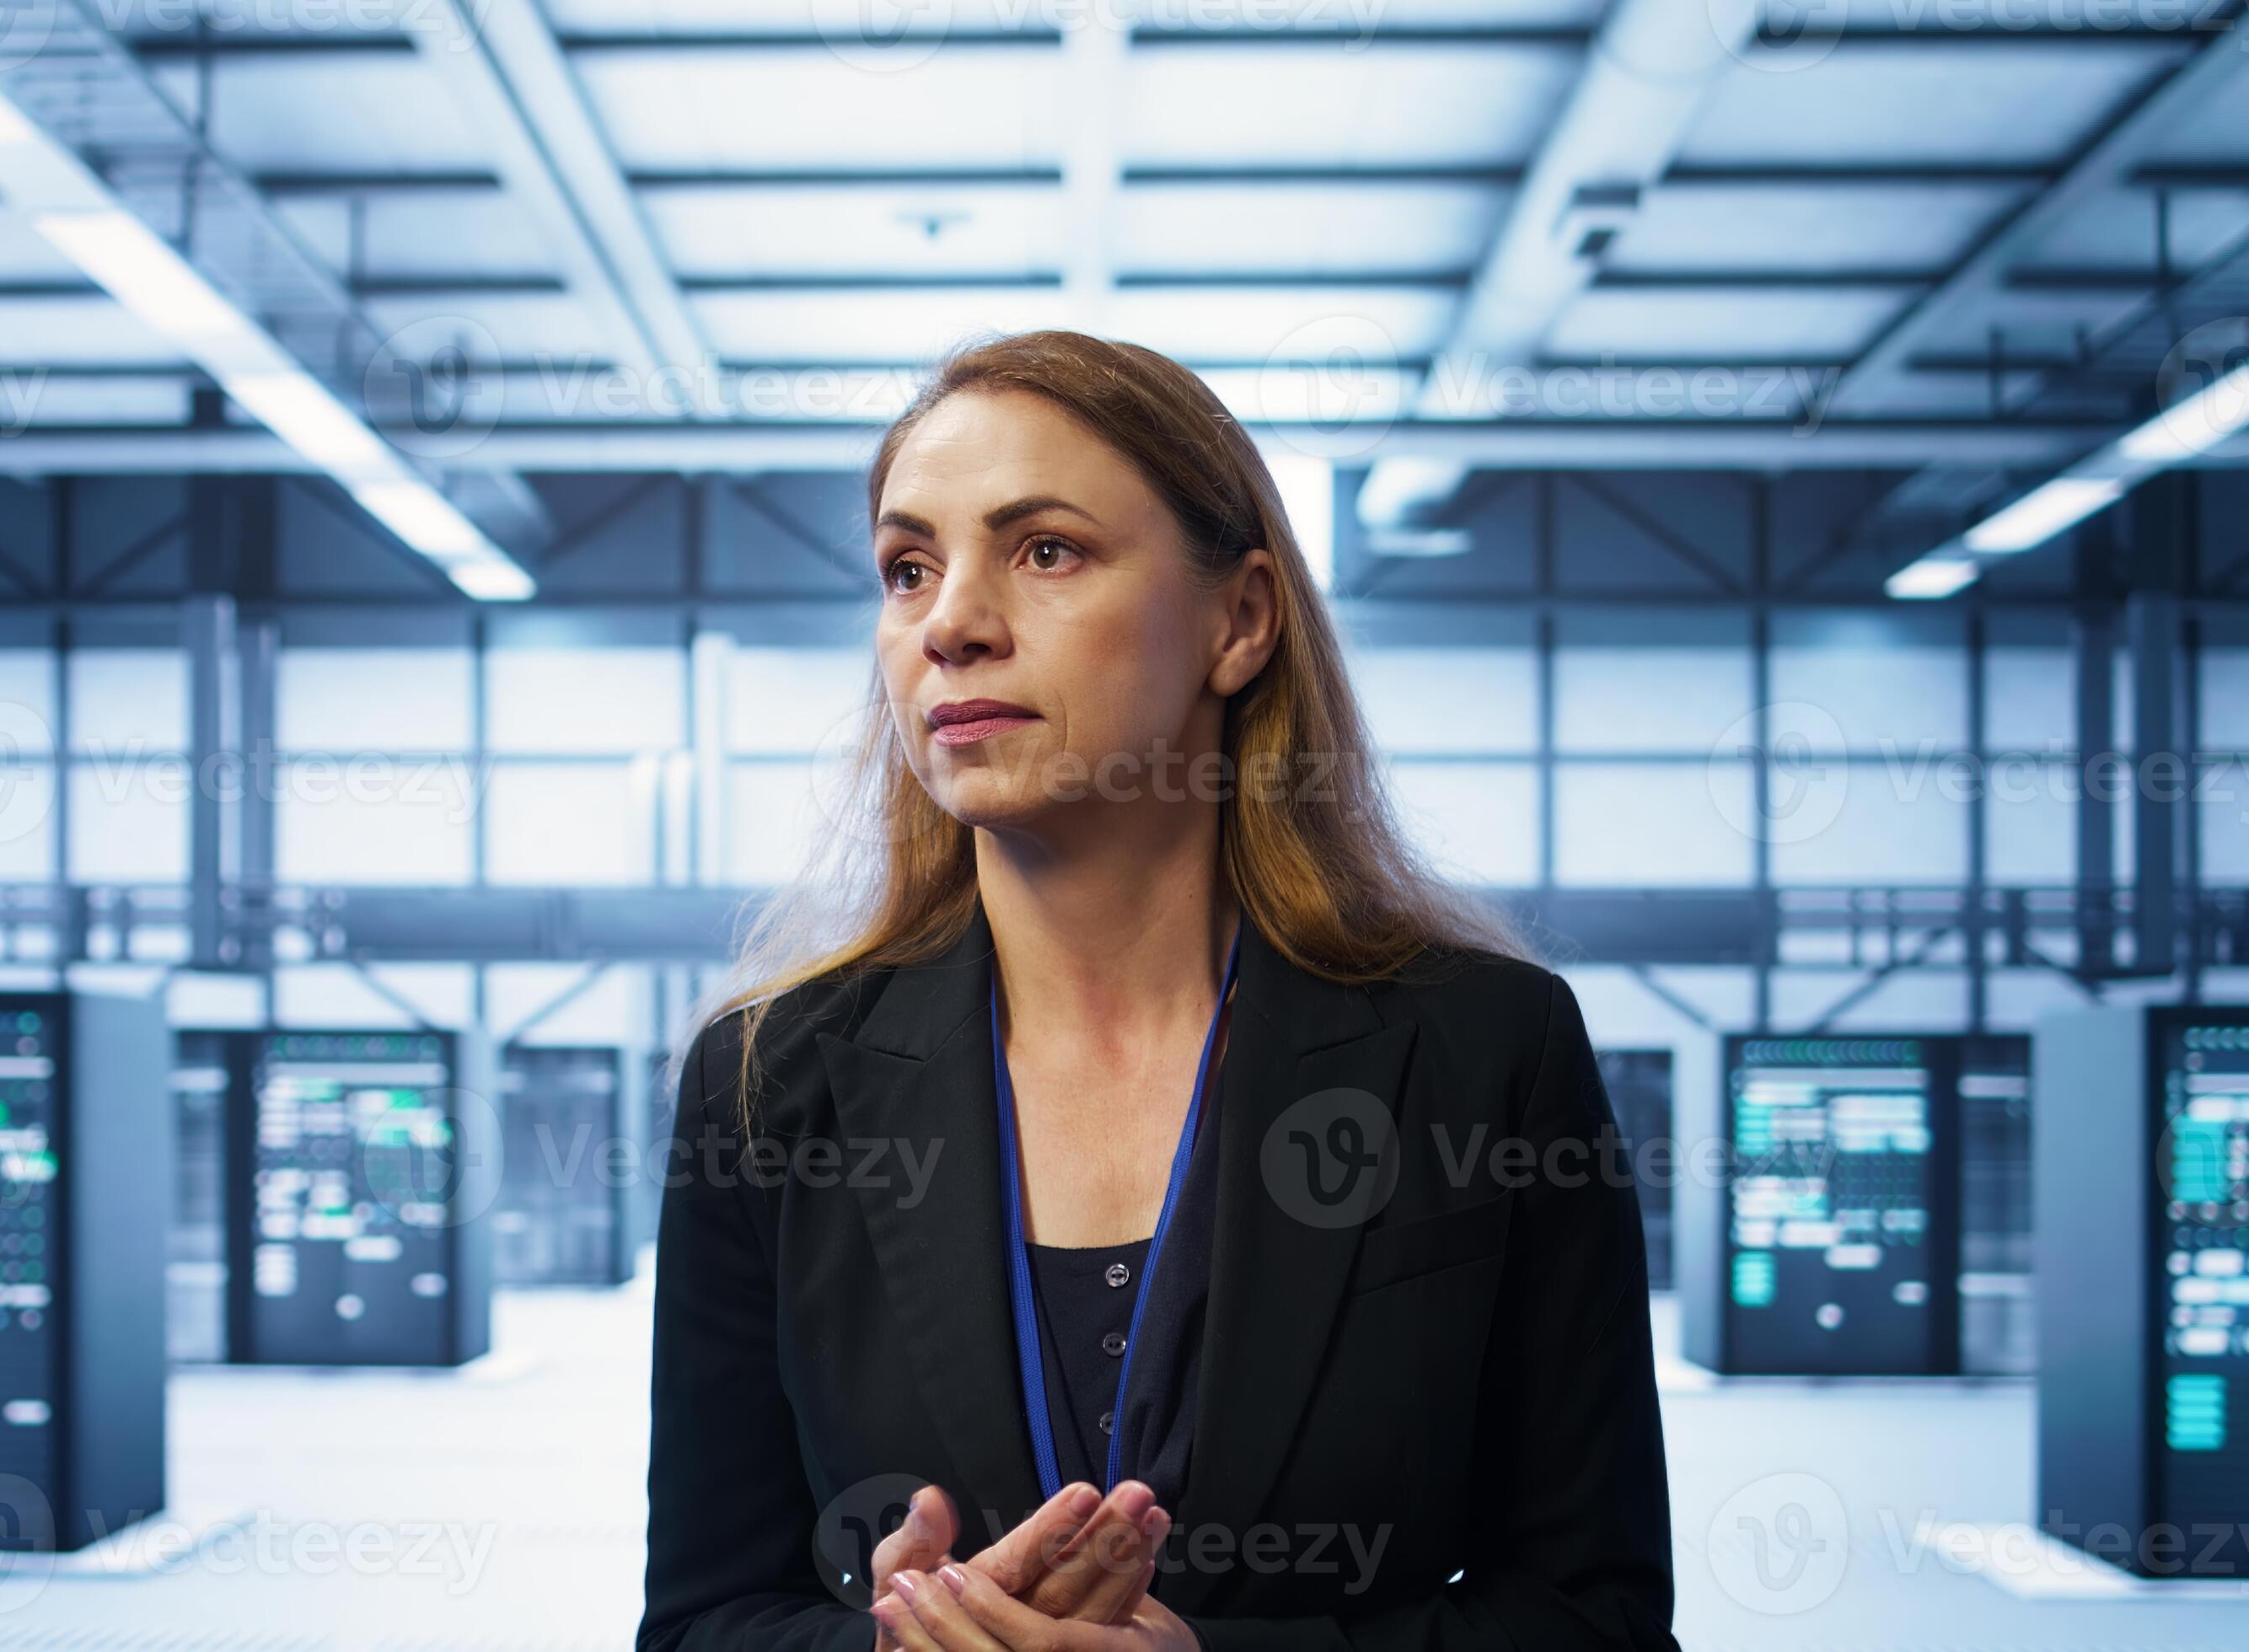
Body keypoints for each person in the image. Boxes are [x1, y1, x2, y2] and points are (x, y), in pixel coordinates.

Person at [637, 331, 1677, 1651]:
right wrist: (893, 1645)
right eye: (908, 568)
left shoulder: (1486, 1052)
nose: (949, 622)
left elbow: (1597, 1618)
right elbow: (700, 1623)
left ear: (1238, 622)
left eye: (1045, 550)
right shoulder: (764, 1082)